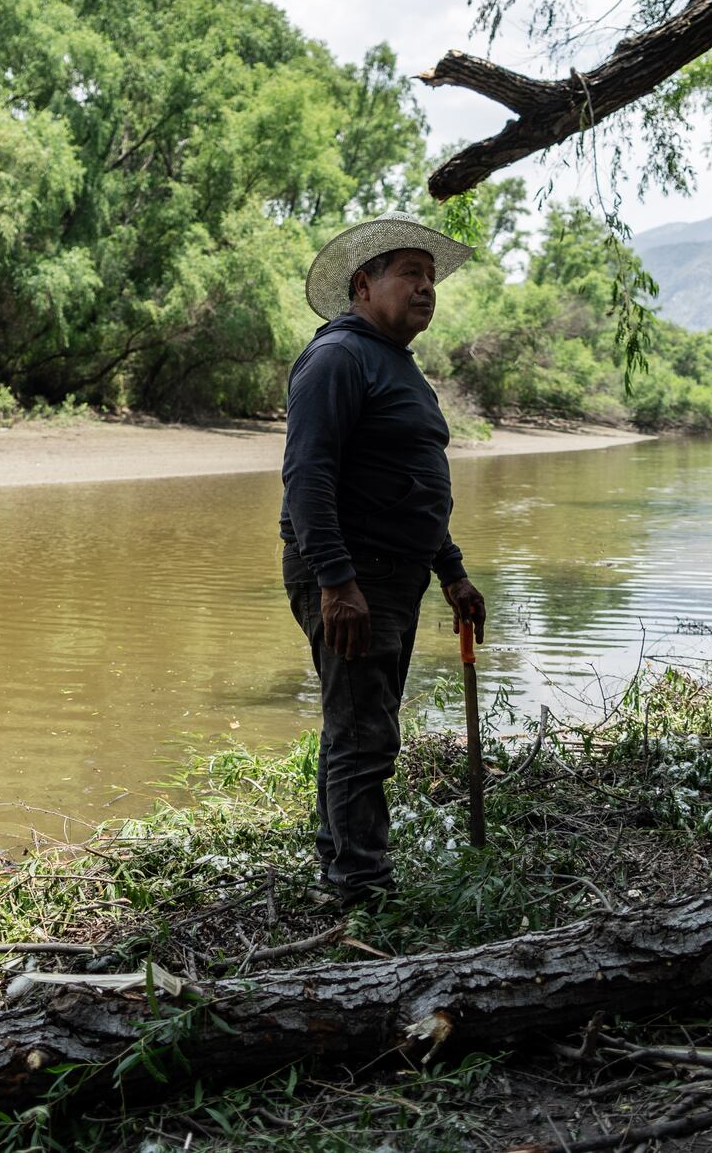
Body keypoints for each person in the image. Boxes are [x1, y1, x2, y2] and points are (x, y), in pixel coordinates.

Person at [280, 210, 487, 906]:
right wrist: (338, 582)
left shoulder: (397, 365)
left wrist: (451, 570)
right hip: (351, 572)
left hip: (393, 575)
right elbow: (307, 475)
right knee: (366, 733)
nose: (426, 288)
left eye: (431, 278)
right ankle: (361, 886)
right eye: (411, 275)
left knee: (358, 725)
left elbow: (415, 480)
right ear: (364, 285)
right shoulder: (338, 357)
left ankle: (339, 864)